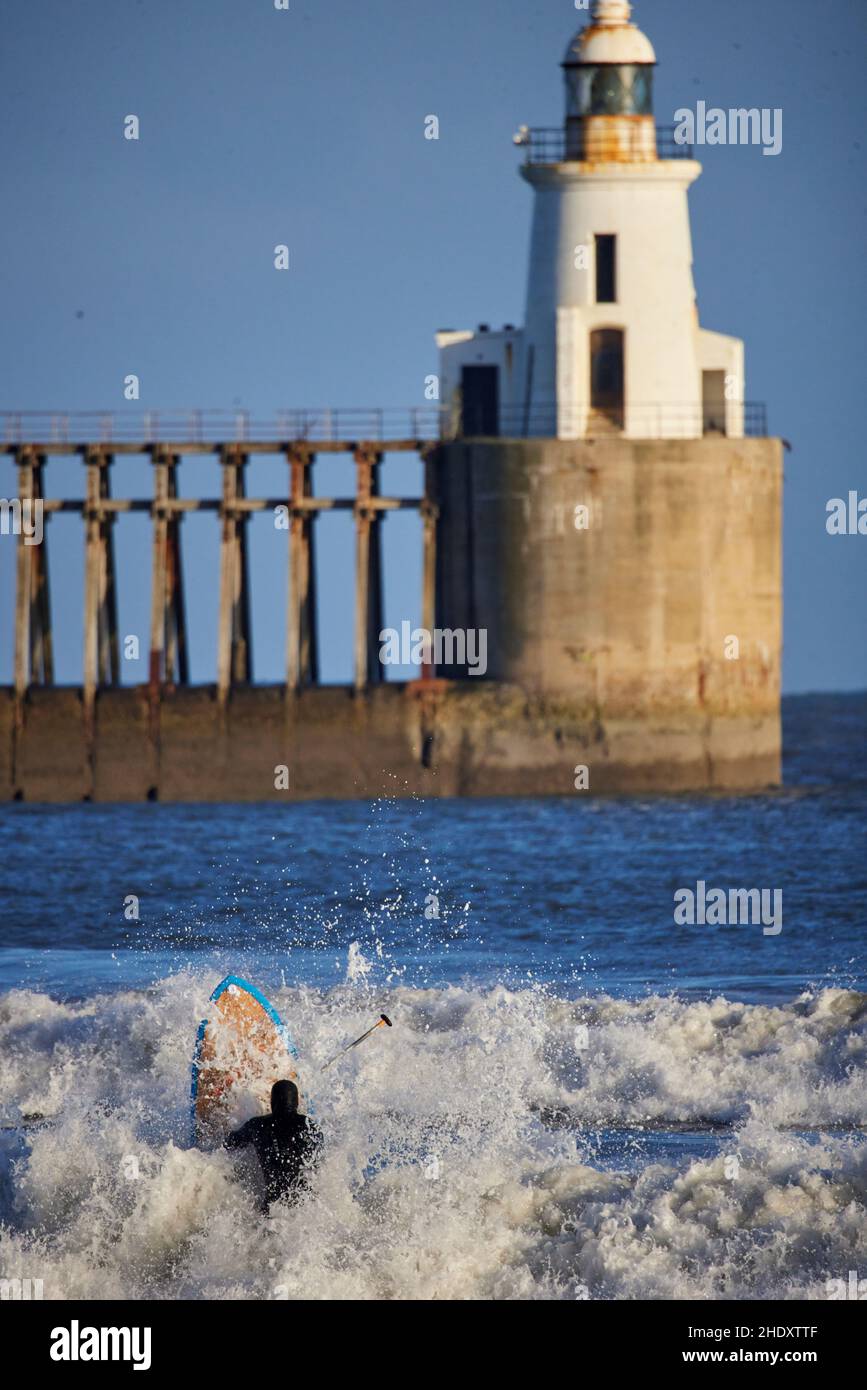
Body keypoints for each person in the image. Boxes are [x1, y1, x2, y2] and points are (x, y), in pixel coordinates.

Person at [224, 1079, 322, 1210]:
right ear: (297, 1103)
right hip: (305, 1208)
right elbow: (318, 1160)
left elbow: (230, 1143)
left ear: (272, 1103)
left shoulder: (257, 1126)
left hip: (272, 1208)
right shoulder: (309, 1126)